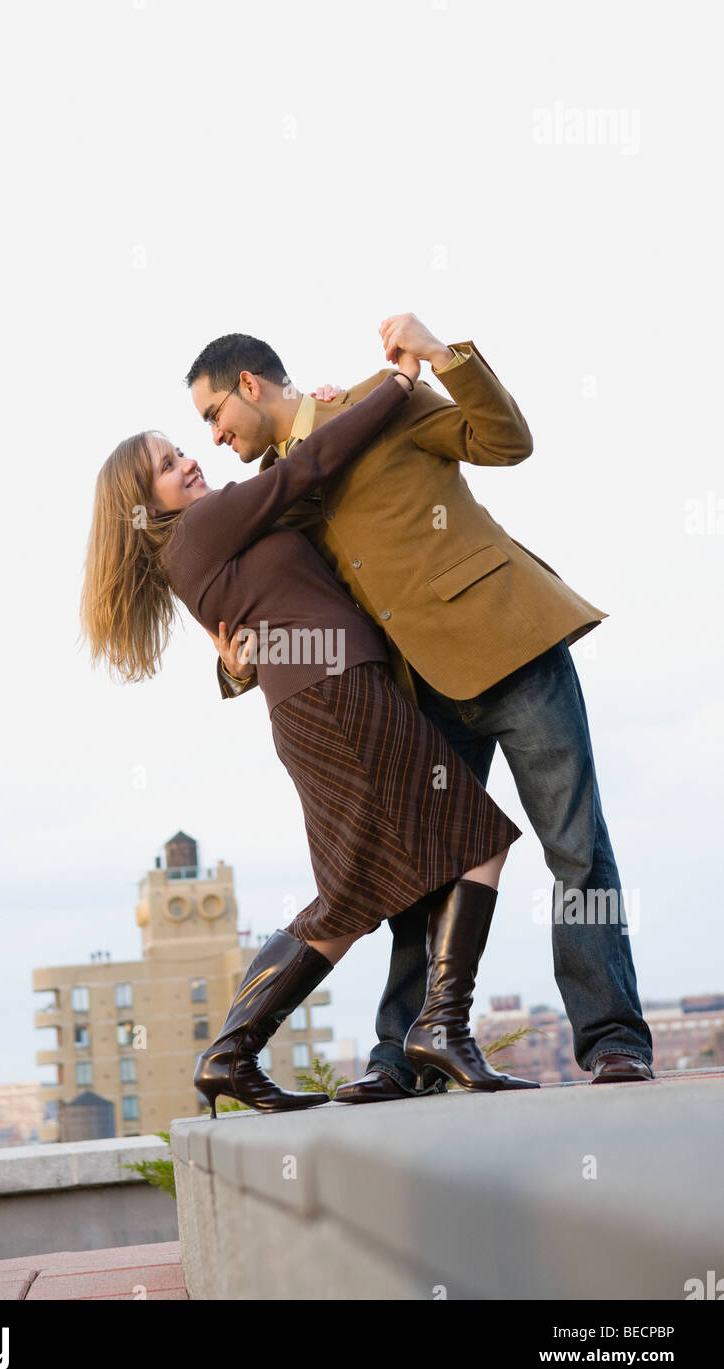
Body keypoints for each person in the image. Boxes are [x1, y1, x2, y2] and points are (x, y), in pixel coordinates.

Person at [186, 312, 654, 1099]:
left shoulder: (380, 400)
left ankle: (613, 1042)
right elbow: (268, 590)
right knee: (422, 874)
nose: (214, 436)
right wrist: (237, 667)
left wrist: (444, 357)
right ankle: (401, 1058)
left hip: (510, 645)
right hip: (412, 690)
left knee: (577, 850)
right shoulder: (276, 488)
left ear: (250, 383)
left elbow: (504, 441)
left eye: (214, 415)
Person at [79, 328, 538, 1118]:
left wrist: (317, 410)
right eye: (166, 463)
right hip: (338, 698)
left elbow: (298, 508)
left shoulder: (200, 536)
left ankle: (233, 1052)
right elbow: (309, 468)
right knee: (476, 842)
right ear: (143, 499)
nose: (190, 458)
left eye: (181, 448)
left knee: (353, 891)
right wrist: (394, 385)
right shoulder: (202, 526)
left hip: (321, 702)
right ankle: (439, 1026)